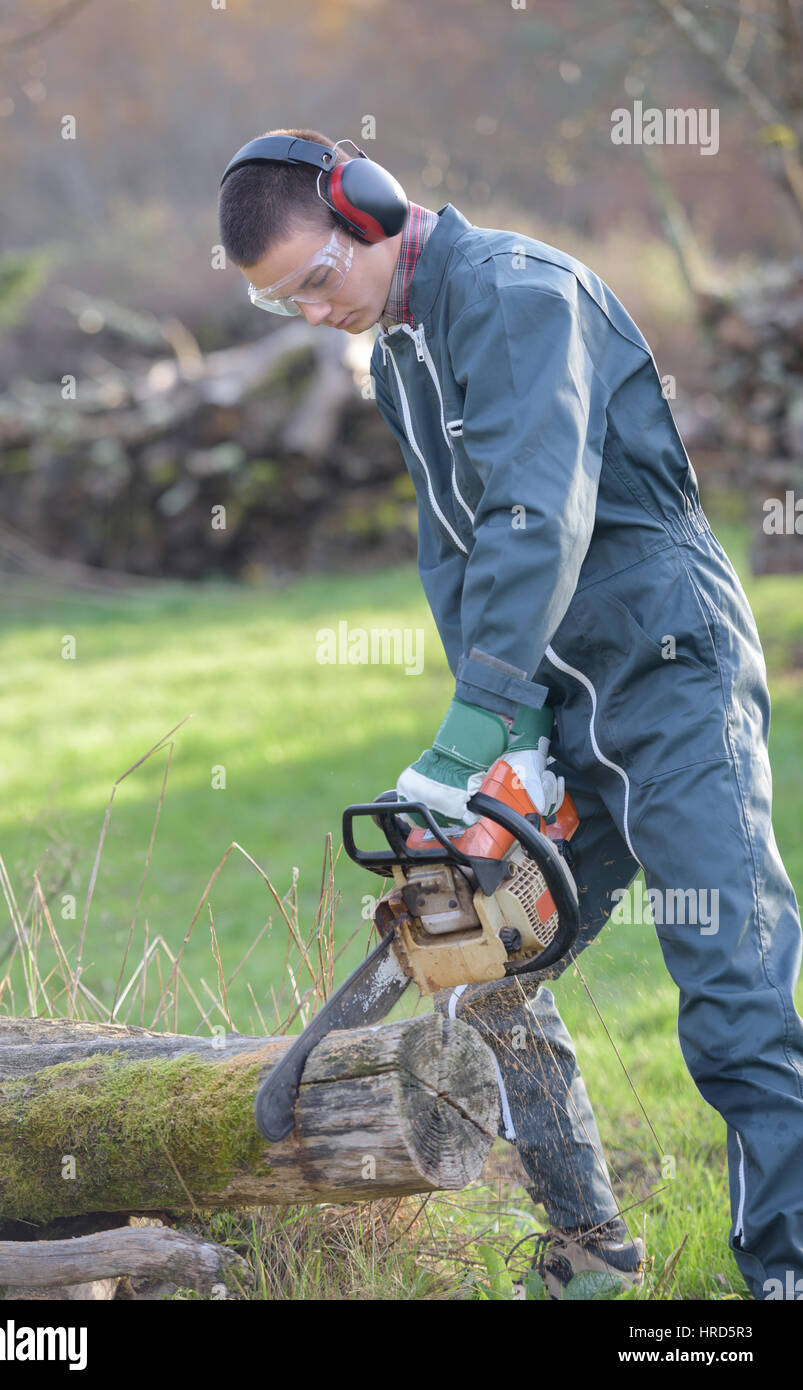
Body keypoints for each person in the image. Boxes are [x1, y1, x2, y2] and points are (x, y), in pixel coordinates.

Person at [218, 127, 803, 1300]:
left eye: (318, 278)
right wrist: (510, 731)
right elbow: (456, 555)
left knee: (732, 992)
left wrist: (477, 719)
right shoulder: (402, 357)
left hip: (667, 673)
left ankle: (786, 1274)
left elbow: (538, 515)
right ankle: (590, 1244)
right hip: (563, 701)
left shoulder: (520, 297)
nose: (316, 311)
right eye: (284, 305)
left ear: (368, 208)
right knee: (482, 970)